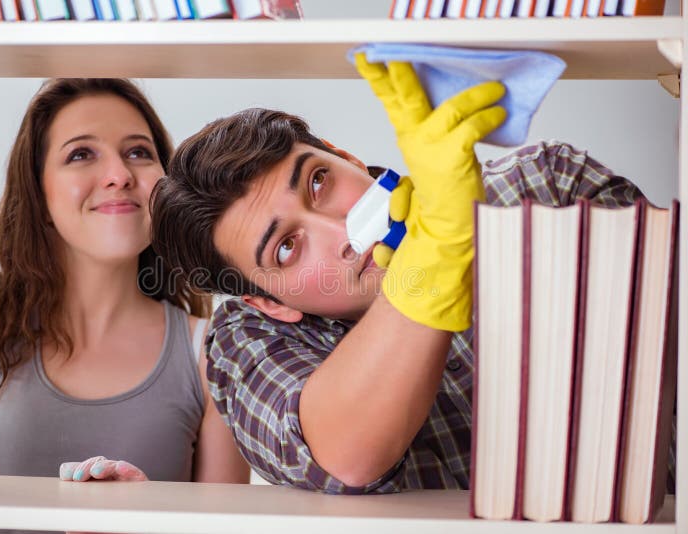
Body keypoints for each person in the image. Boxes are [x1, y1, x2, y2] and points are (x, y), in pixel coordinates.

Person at [147, 55, 673, 494]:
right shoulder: (244, 339)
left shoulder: (544, 183)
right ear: (269, 301)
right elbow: (344, 456)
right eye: (287, 248)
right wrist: (436, 260)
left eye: (318, 183)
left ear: (346, 157)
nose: (341, 230)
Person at [0, 78, 250, 499]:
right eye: (81, 153)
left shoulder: (212, 354)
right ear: (39, 194)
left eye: (138, 152)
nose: (119, 175)